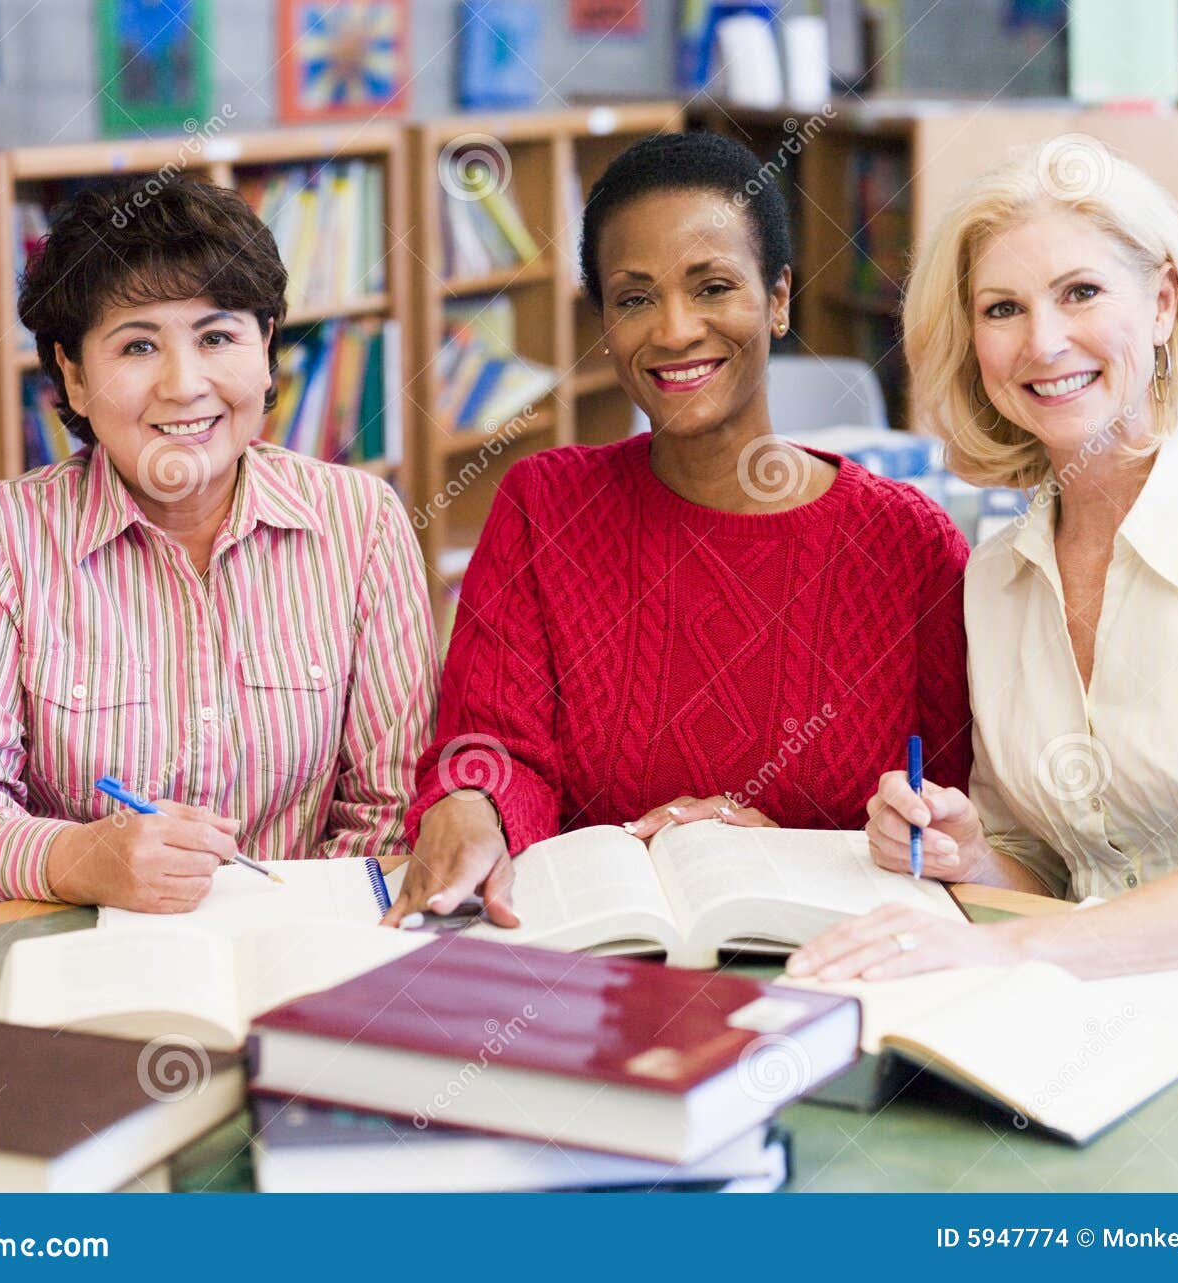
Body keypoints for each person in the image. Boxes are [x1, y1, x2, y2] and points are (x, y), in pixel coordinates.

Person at [787, 140, 1178, 1045]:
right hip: (1120, 1025)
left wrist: (1006, 957)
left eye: (1081, 292)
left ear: (1162, 303)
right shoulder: (997, 580)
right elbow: (1053, 870)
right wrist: (976, 855)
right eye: (1002, 308)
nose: (1043, 342)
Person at [385, 131, 971, 927]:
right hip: (595, 972)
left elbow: (956, 822)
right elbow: (492, 745)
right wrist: (473, 801)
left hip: (836, 973)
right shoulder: (544, 507)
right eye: (633, 298)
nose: (672, 330)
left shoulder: (912, 548)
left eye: (713, 285)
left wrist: (785, 852)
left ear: (780, 297)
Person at [0, 177, 436, 918]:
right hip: (55, 956)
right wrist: (74, 858)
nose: (183, 384)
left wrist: (281, 929)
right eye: (138, 345)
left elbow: (393, 806)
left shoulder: (362, 523)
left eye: (217, 336)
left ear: (265, 348)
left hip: (288, 946)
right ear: (72, 373)